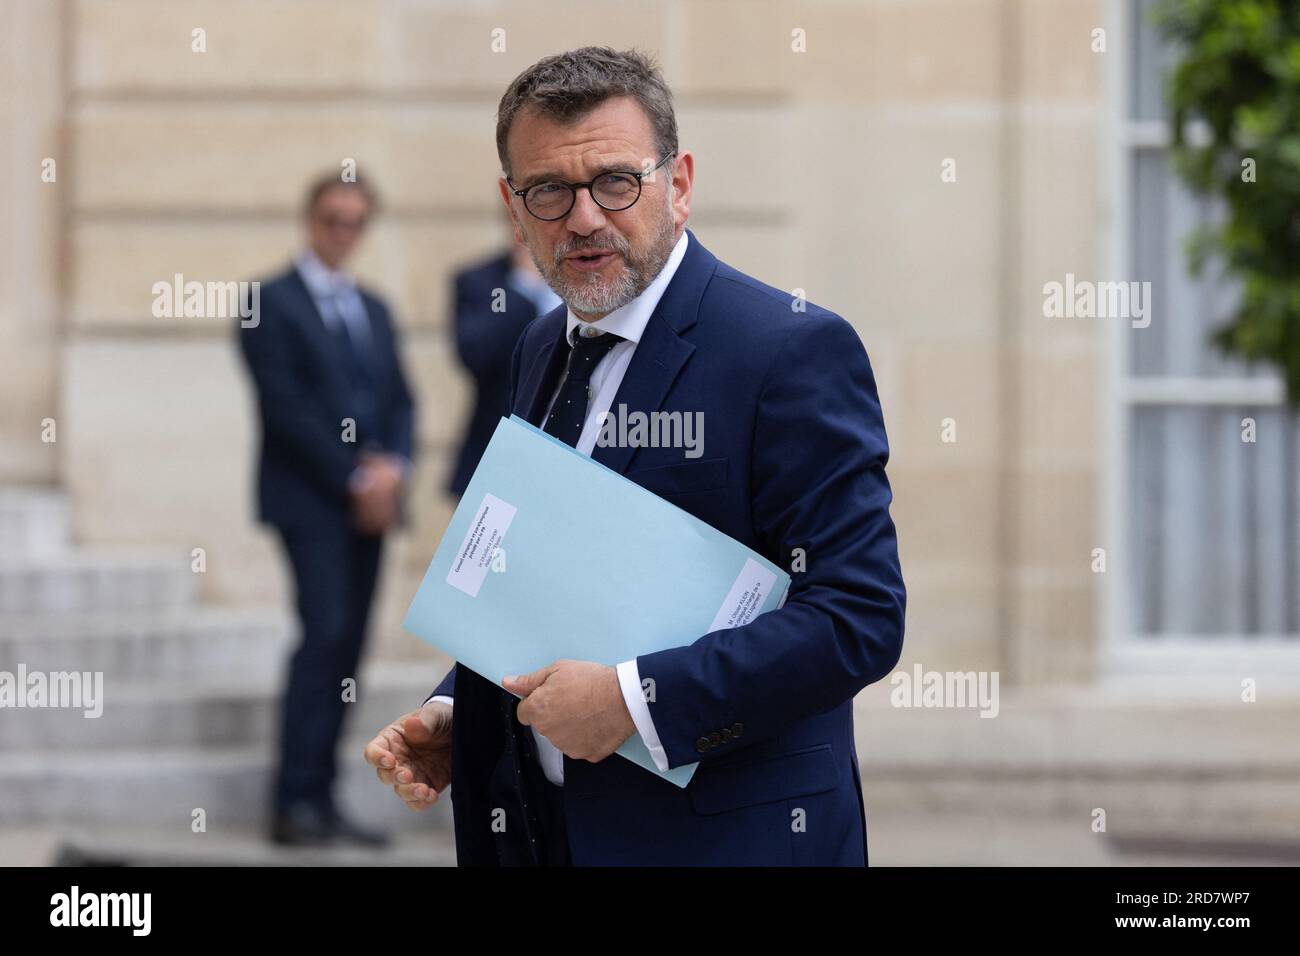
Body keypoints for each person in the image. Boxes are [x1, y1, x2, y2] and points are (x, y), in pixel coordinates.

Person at [365, 47, 904, 866]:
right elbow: (540, 581)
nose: (583, 219)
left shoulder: (790, 350)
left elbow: (858, 617)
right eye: (549, 191)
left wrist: (634, 701)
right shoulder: (542, 345)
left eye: (616, 182)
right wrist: (456, 707)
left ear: (679, 184)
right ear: (514, 210)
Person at [238, 173, 417, 846]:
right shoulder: (268, 302)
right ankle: (293, 801)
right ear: (310, 220)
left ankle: (325, 796)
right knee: (323, 636)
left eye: (355, 222)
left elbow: (401, 400)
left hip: (371, 505)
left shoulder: (372, 307)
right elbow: (286, 411)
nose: (343, 233)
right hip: (310, 502)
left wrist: (391, 469)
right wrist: (352, 478)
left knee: (348, 648)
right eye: (332, 219)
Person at [447, 228, 561, 499]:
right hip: (497, 455)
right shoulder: (480, 280)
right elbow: (474, 355)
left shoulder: (590, 272)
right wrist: (522, 287)